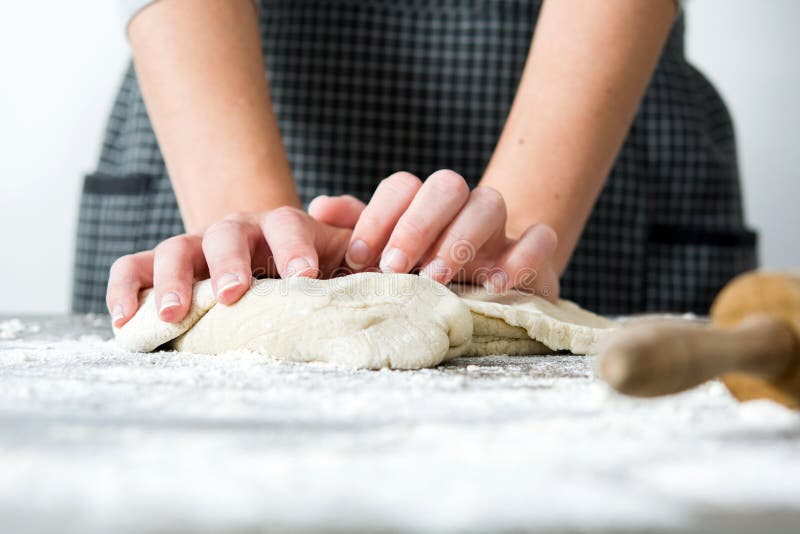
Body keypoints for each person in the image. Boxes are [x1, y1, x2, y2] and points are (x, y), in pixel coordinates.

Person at [72, 0, 757, 326]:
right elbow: (251, 262)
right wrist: (255, 244)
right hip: (215, 113)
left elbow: (513, 265)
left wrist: (508, 261)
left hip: (592, 134)